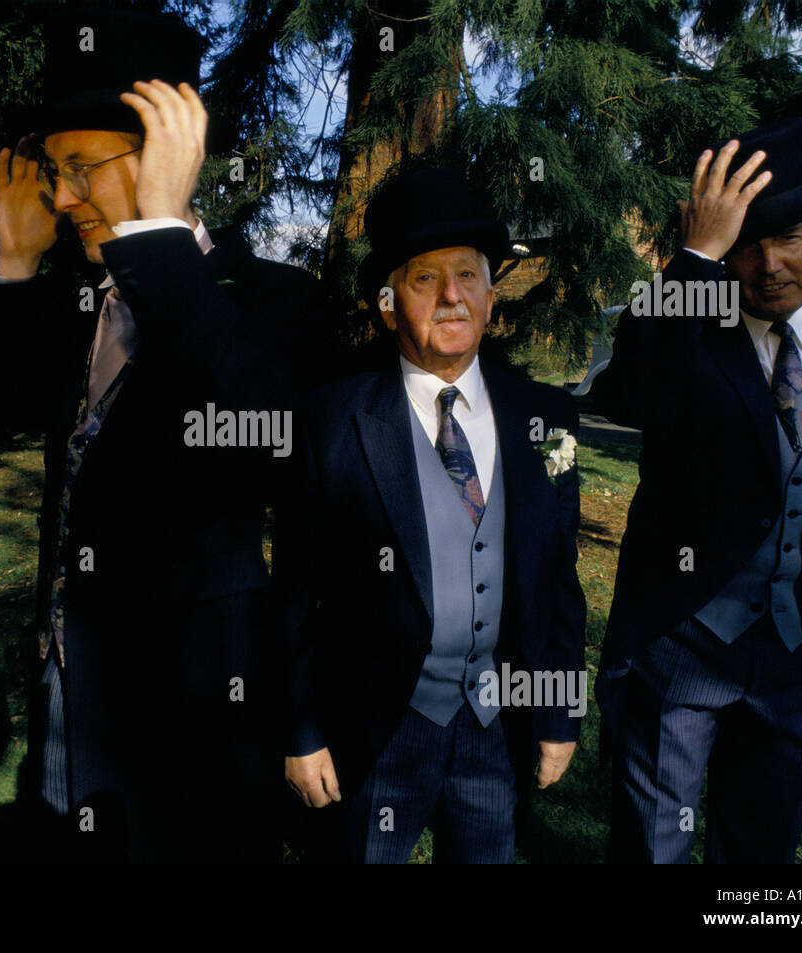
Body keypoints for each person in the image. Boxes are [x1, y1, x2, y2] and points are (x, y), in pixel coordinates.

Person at [0, 8, 330, 862]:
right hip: (65, 681)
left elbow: (250, 437)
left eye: (82, 168)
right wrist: (12, 266)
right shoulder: (70, 301)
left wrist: (160, 234)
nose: (60, 196)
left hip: (194, 697)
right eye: (54, 171)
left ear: (167, 153)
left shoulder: (273, 301)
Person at [592, 117, 802, 863]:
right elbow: (624, 391)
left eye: (788, 236)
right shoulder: (690, 327)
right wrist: (695, 257)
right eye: (745, 242)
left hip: (800, 665)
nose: (766, 264)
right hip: (679, 649)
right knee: (650, 853)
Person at [279, 167, 586, 863]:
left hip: (494, 729)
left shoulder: (547, 418)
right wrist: (301, 733)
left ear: (491, 292)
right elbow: (295, 595)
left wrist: (560, 711)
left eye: (468, 276)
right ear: (388, 305)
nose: (452, 296)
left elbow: (557, 583)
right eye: (425, 280)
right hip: (379, 727)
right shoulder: (332, 421)